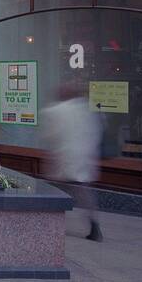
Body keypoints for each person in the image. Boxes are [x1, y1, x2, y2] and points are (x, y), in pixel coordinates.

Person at [39, 81, 104, 241]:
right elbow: (96, 133)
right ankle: (94, 225)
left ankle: (46, 224)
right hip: (83, 159)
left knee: (50, 192)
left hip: (63, 159)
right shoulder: (86, 110)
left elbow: (49, 136)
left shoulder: (54, 111)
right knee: (83, 192)